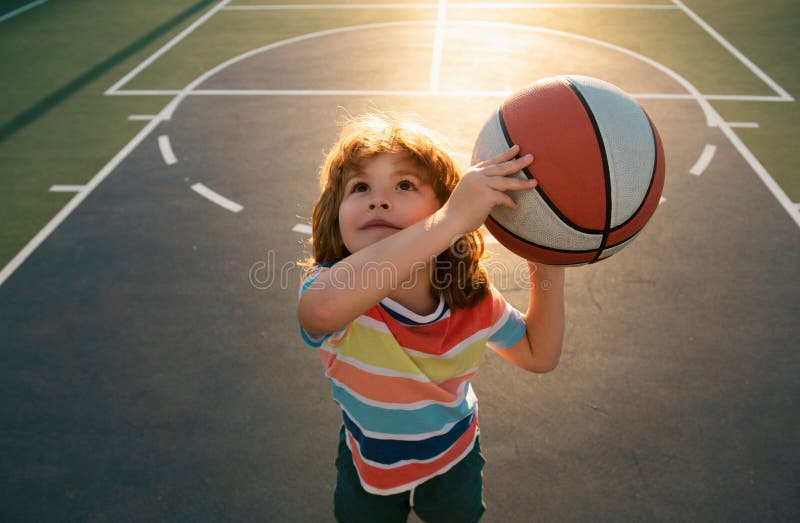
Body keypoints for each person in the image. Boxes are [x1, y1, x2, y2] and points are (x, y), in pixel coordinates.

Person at [296, 113, 566, 523]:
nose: (378, 200)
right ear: (336, 213)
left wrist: (548, 261)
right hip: (368, 461)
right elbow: (320, 310)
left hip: (454, 457)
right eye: (360, 187)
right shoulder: (334, 292)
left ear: (444, 202)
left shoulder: (472, 299)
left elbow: (537, 353)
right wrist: (452, 220)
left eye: (405, 185)